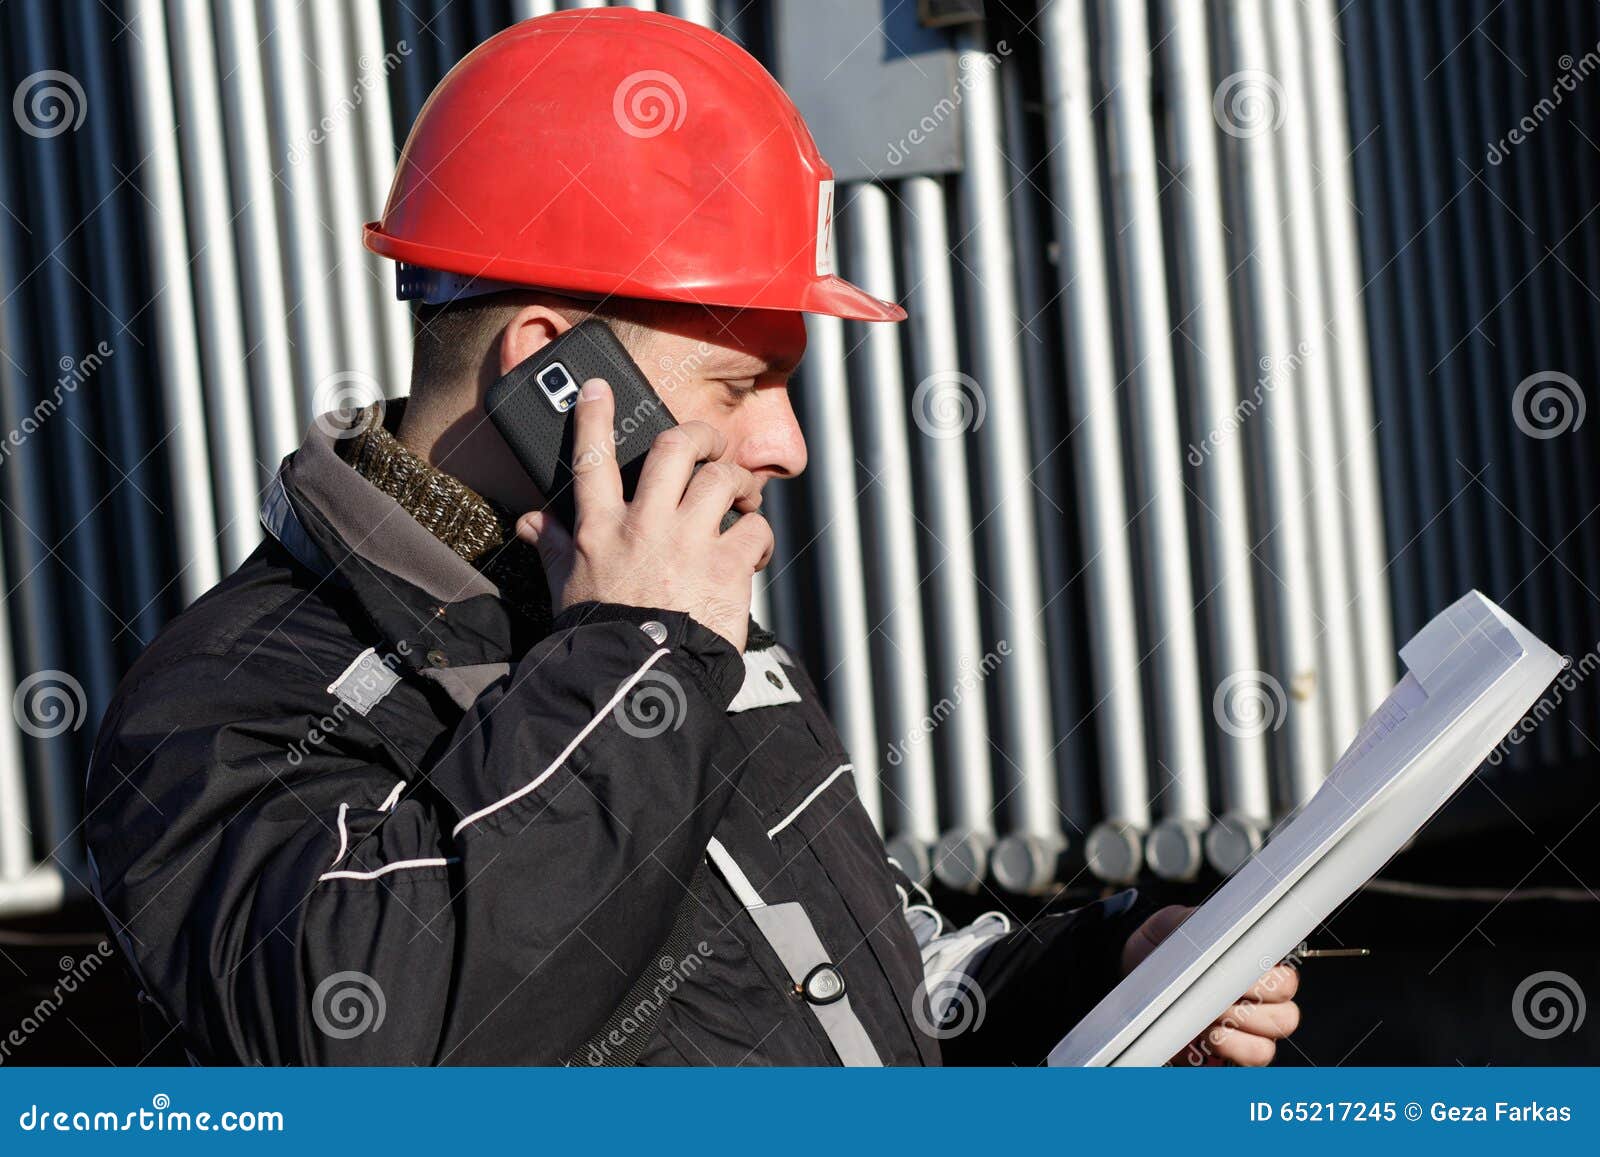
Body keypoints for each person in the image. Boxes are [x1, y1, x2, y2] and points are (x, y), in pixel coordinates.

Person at [84, 8, 1299, 1066]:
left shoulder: (657, 618)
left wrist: (1104, 976)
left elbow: (853, 989)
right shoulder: (229, 702)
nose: (787, 445)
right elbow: (392, 1038)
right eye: (736, 384)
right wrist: (626, 659)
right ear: (552, 374)